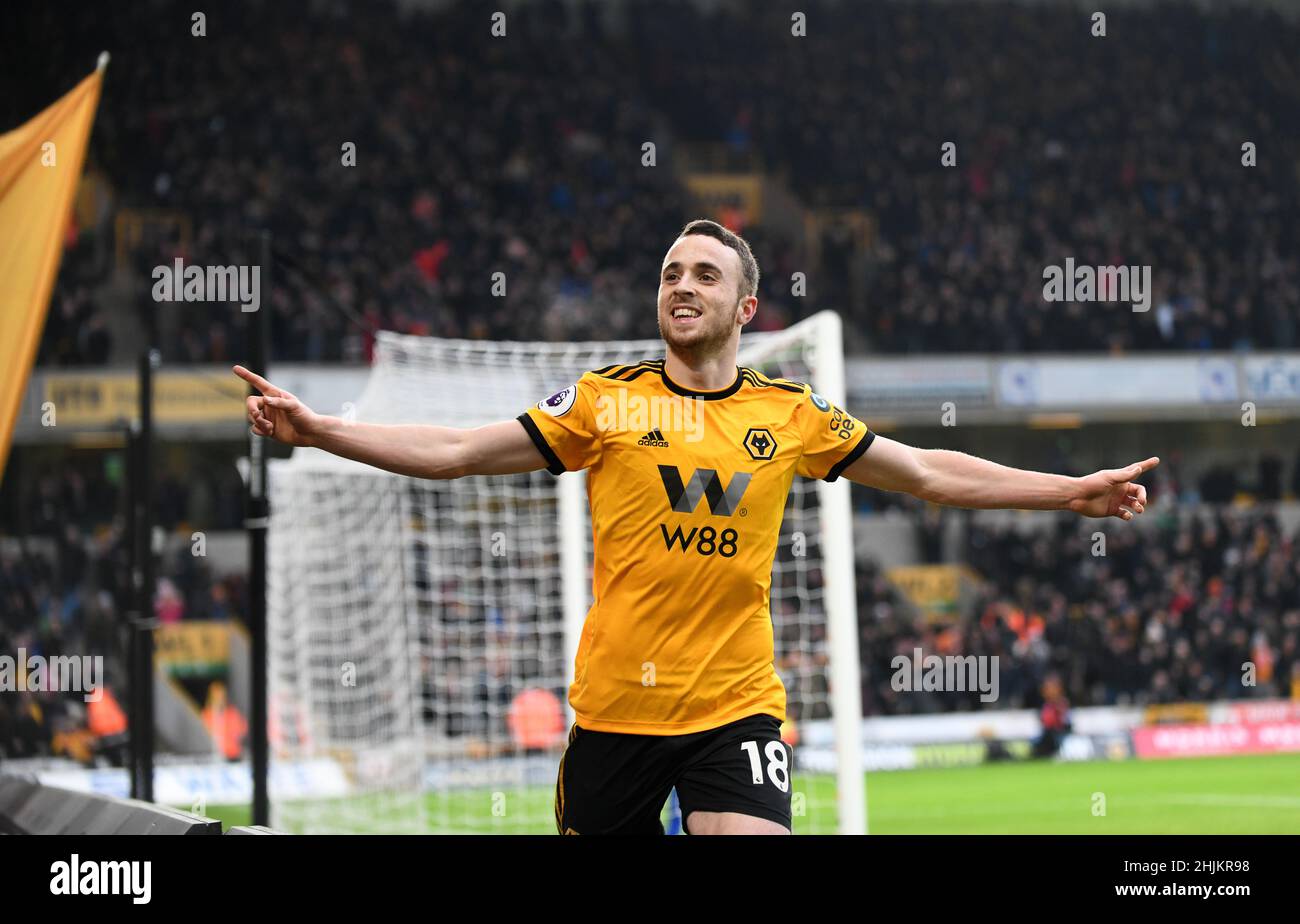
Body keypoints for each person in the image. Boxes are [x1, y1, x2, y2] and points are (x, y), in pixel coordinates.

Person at [234, 218, 1158, 835]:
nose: (682, 285)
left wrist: (1067, 491)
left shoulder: (791, 413)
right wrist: (322, 430)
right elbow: (458, 450)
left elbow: (925, 472)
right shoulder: (604, 402)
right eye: (671, 273)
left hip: (735, 706)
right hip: (615, 714)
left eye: (704, 275)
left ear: (745, 308)